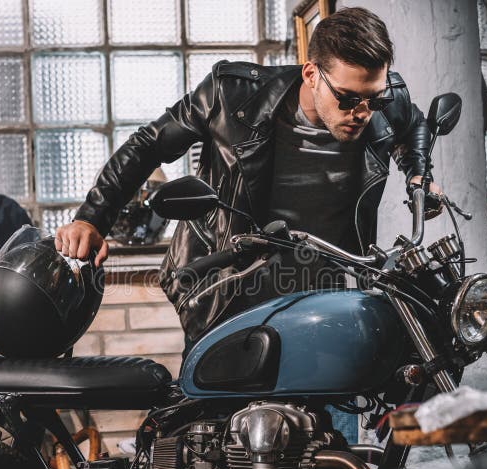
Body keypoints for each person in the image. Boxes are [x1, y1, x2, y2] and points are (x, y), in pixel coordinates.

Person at [56, 7, 442, 349]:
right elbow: (148, 145)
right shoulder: (233, 97)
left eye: (373, 99)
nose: (363, 112)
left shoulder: (386, 101)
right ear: (311, 74)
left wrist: (419, 176)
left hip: (321, 303)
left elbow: (413, 128)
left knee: (329, 423)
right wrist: (92, 218)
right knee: (217, 425)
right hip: (229, 296)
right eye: (347, 98)